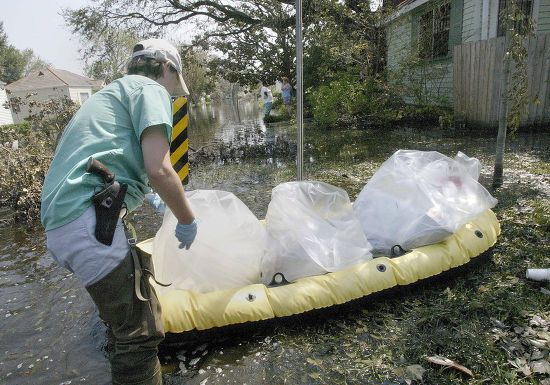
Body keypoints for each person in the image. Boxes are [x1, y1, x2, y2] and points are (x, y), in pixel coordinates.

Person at [41, 38, 198, 385]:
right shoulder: (150, 90)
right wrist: (187, 219)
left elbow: (108, 158)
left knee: (121, 328)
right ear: (166, 69)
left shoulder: (107, 96)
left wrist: (146, 195)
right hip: (87, 224)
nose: (173, 93)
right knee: (139, 334)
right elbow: (159, 169)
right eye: (174, 84)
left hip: (64, 225)